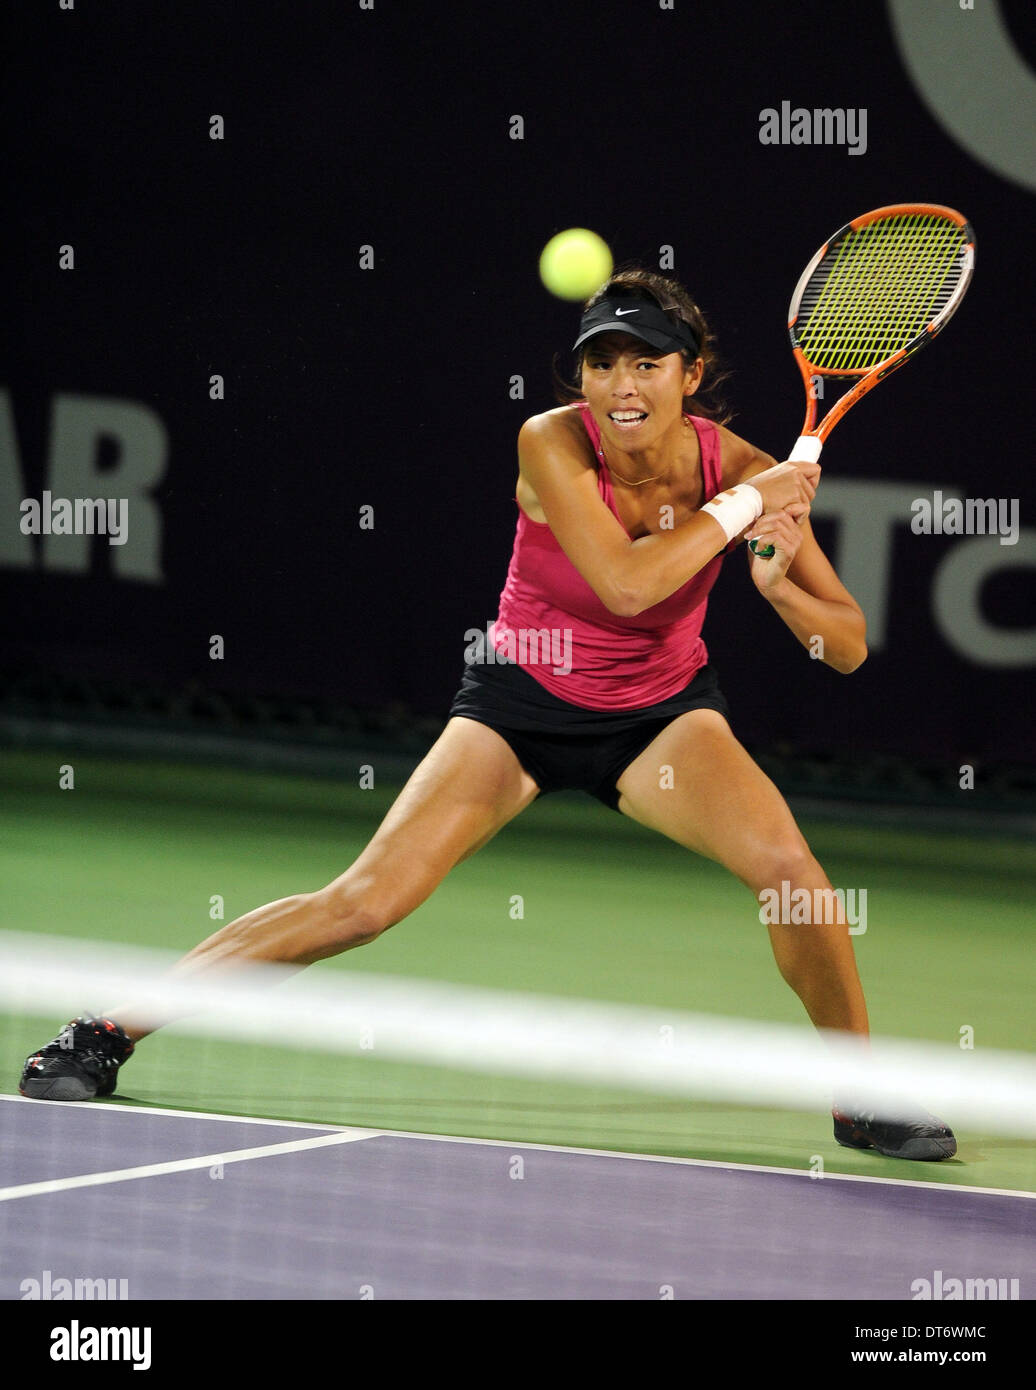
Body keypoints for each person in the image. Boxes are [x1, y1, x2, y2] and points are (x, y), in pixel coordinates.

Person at [21, 268, 955, 1161]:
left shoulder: (737, 466)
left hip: (661, 716)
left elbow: (847, 645)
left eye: (647, 363)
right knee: (365, 904)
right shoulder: (550, 442)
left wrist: (777, 580)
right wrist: (748, 503)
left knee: (791, 870)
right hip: (519, 703)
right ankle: (107, 1028)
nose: (620, 386)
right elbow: (627, 590)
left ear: (690, 375)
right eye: (602, 363)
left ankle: (858, 1093)